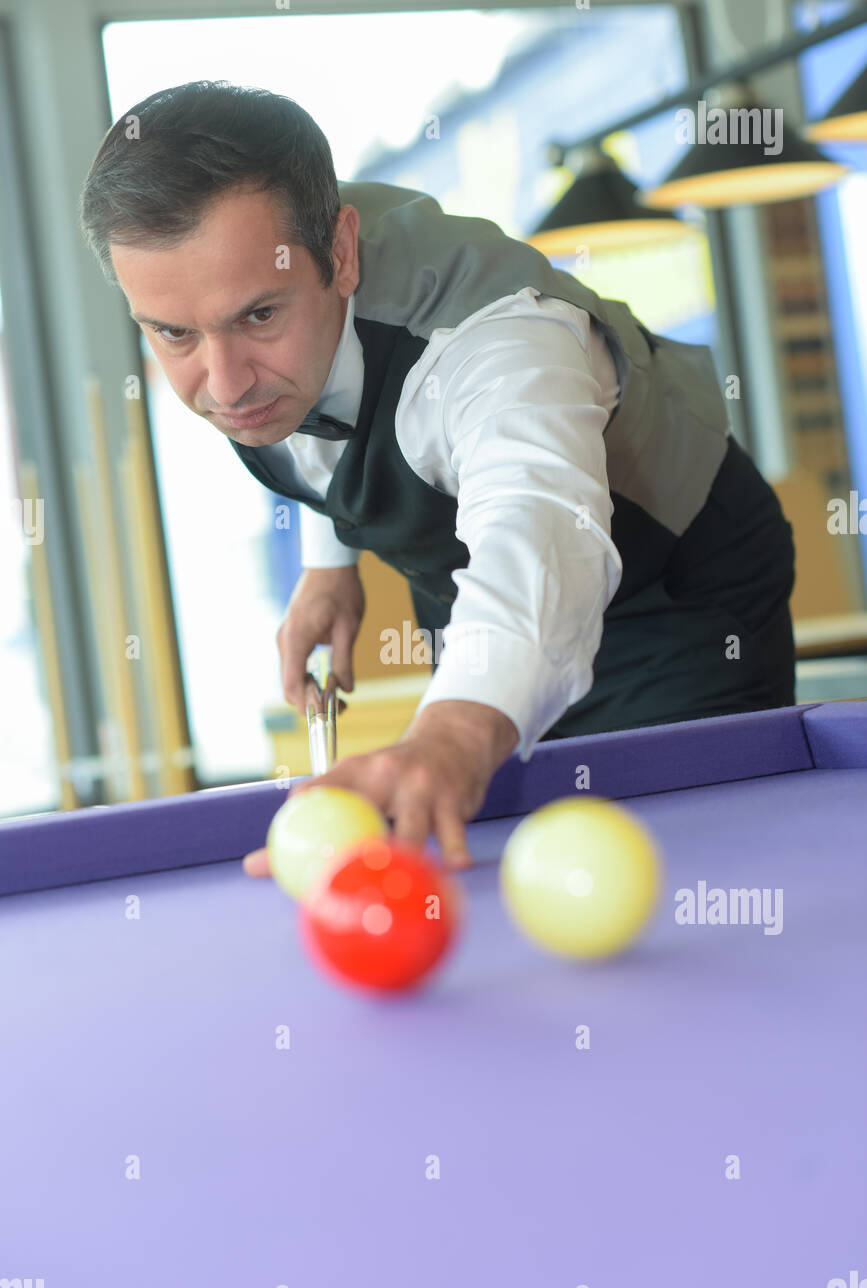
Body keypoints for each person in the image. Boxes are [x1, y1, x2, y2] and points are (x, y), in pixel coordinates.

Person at [80, 81, 795, 871]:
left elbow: (538, 523)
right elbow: (326, 417)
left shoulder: (501, 339)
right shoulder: (245, 315)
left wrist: (454, 731)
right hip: (473, 597)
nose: (224, 384)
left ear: (340, 253)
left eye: (258, 317)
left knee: (668, 865)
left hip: (674, 591)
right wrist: (329, 565)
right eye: (174, 334)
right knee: (482, 858)